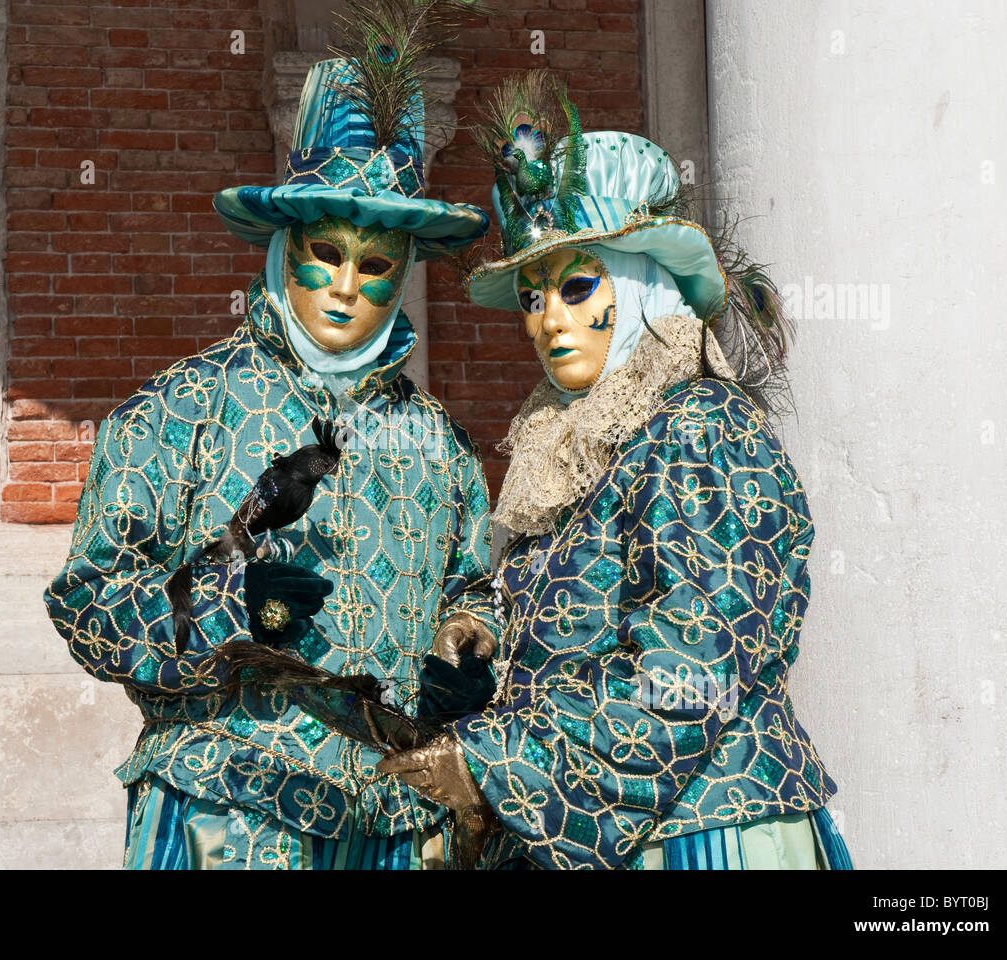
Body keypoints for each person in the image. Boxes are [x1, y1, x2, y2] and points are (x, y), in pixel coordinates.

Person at [44, 12, 498, 869]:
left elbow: (472, 585)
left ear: (405, 270)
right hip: (228, 811)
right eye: (324, 252)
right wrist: (228, 607)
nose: (344, 285)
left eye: (376, 265)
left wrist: (468, 639)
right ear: (284, 245)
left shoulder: (438, 441)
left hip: (398, 823)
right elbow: (90, 604)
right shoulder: (184, 409)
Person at [378, 70, 853, 870]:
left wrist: (495, 766)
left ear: (641, 284)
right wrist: (491, 634)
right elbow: (592, 605)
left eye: (574, 285)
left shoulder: (705, 432)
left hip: (704, 833)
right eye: (531, 296)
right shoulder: (583, 448)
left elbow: (692, 672)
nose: (547, 321)